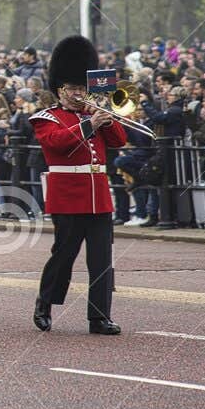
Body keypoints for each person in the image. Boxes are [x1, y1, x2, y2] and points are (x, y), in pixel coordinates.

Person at [31, 34, 126, 335]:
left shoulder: (94, 115)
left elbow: (119, 141)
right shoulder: (47, 118)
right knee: (63, 256)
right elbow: (57, 144)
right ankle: (44, 303)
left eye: (81, 88)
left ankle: (99, 317)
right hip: (67, 196)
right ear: (59, 89)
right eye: (72, 88)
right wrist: (89, 124)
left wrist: (107, 120)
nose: (78, 93)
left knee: (101, 261)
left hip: (98, 195)